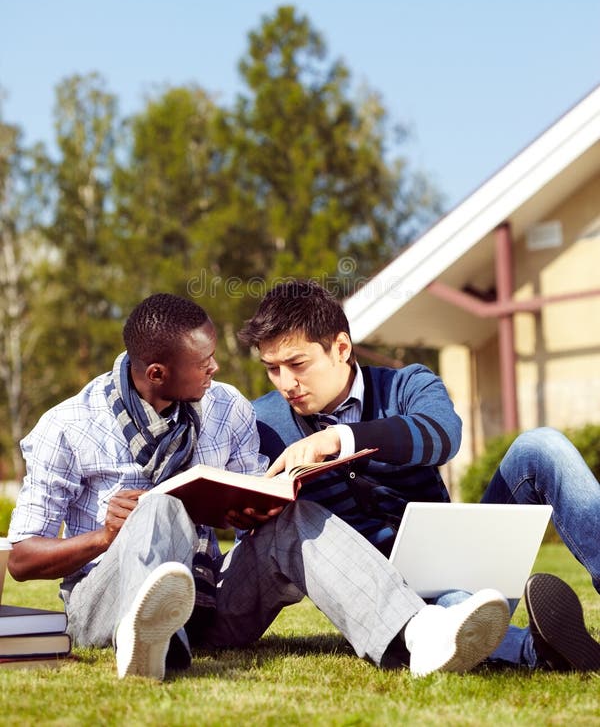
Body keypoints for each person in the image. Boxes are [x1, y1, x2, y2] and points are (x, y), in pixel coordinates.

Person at [8, 292, 511, 681]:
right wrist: (104, 537)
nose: (217, 367)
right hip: (104, 606)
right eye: (202, 361)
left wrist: (249, 510)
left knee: (293, 515)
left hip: (209, 600)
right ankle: (144, 641)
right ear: (158, 372)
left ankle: (420, 634)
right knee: (157, 510)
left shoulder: (226, 407)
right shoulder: (67, 427)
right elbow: (21, 559)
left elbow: (246, 495)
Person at [239, 279, 600, 672]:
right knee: (453, 608)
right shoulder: (263, 423)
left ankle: (517, 639)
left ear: (341, 348)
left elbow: (444, 435)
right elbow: (262, 536)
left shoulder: (408, 384)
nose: (285, 383)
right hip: (380, 592)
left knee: (542, 445)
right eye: (272, 368)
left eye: (297, 364)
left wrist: (340, 438)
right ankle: (538, 651)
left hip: (459, 556)